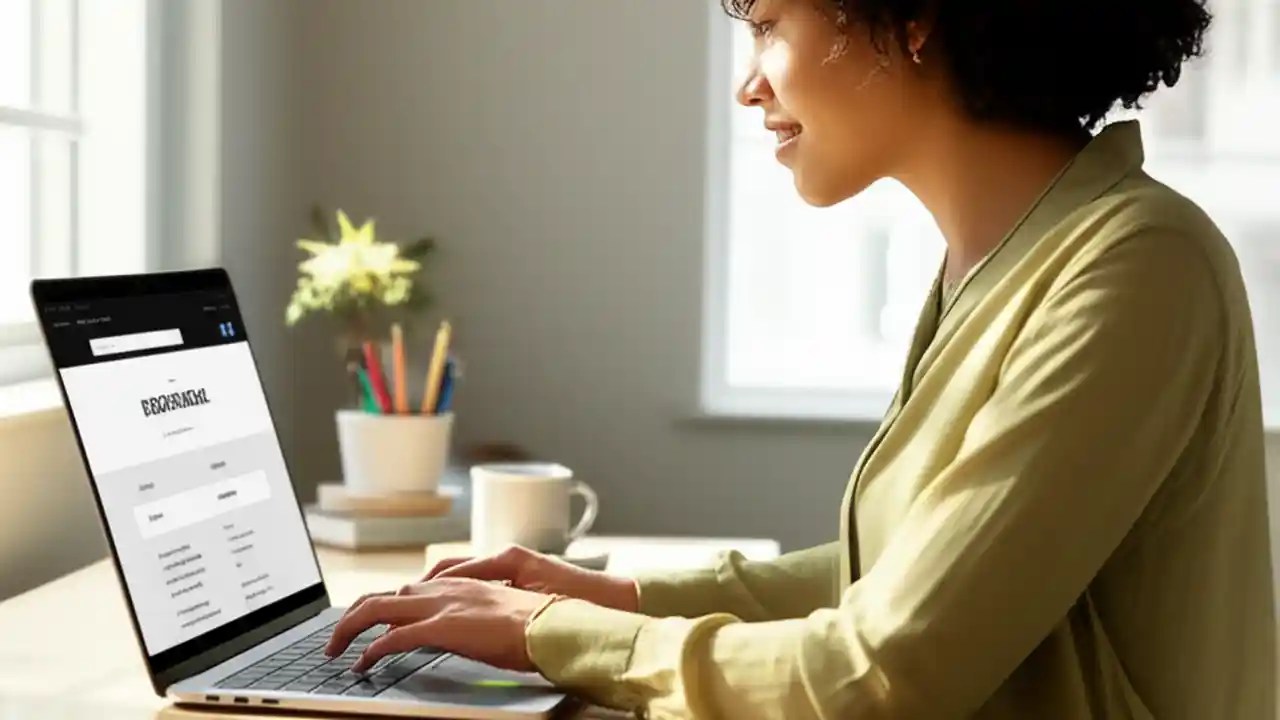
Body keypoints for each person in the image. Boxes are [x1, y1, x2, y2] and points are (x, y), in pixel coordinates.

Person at [324, 0, 1278, 716]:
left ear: (912, 19)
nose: (750, 84)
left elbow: (886, 667)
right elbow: (914, 576)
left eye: (770, 25)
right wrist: (612, 593)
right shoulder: (1001, 258)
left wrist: (552, 636)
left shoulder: (1137, 266)